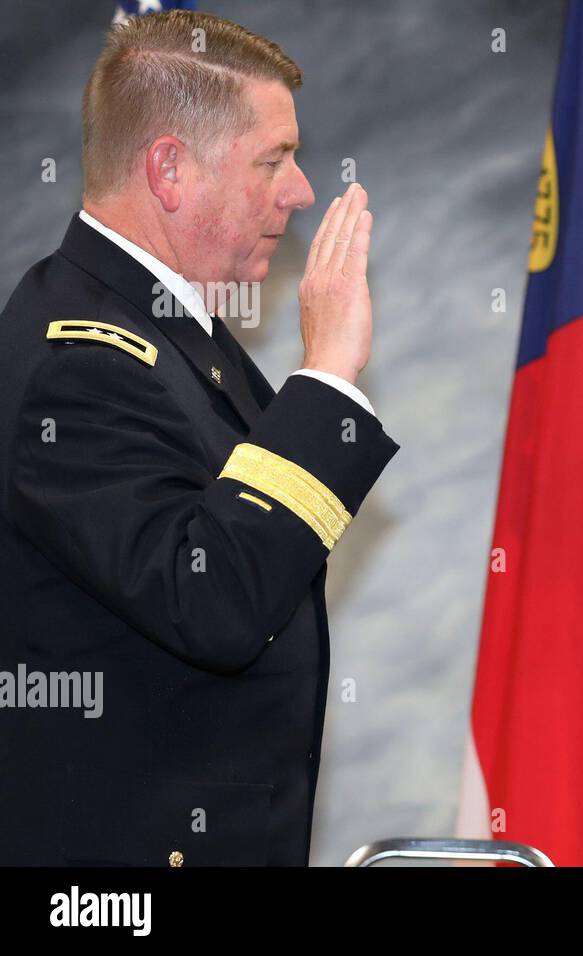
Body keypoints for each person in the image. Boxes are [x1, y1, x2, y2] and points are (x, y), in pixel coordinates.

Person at [0, 11, 397, 865]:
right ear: (169, 170)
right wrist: (327, 373)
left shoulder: (173, 338)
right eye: (273, 159)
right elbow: (212, 603)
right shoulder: (82, 362)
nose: (300, 191)